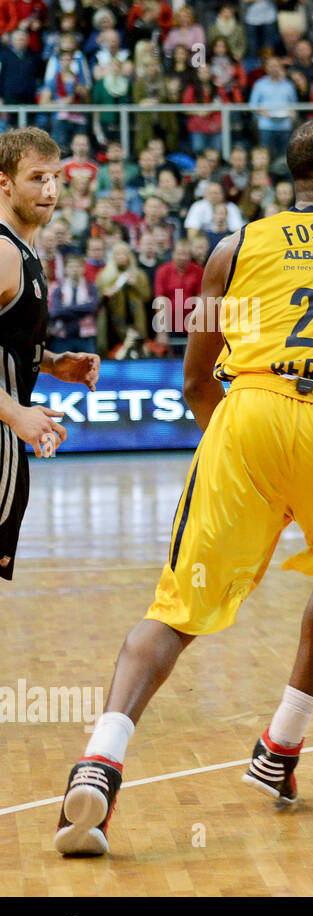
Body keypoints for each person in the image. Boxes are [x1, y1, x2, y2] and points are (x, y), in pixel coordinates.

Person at [53, 117, 313, 857]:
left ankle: (101, 759)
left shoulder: (234, 246)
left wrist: (244, 453)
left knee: (175, 609)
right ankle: (280, 750)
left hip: (250, 409)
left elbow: (193, 377)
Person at [0, 128, 100, 581]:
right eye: (37, 177)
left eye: (55, 177)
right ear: (4, 182)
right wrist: (14, 413)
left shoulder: (25, 247)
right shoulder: (2, 251)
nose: (51, 189)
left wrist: (55, 363)